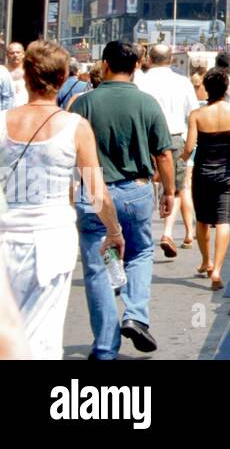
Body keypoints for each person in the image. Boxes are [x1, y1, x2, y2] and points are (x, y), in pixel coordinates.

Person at [1, 41, 124, 359]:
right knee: (42, 335)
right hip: (52, 237)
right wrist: (114, 231)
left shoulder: (1, 122)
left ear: (25, 77)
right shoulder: (74, 127)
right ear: (63, 79)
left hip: (5, 235)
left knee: (7, 332)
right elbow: (96, 191)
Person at [70, 40, 175, 359]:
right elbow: (164, 155)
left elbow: (70, 152)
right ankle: (135, 315)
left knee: (98, 266)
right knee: (141, 252)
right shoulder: (147, 103)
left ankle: (104, 347)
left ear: (105, 64)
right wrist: (169, 192)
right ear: (135, 67)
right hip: (136, 190)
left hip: (94, 192)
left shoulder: (83, 103)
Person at [183, 70, 230, 291]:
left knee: (202, 220)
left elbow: (190, 147)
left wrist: (179, 159)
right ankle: (219, 271)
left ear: (206, 88)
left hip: (203, 172)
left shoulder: (197, 115)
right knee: (222, 220)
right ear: (226, 88)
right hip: (227, 172)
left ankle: (206, 261)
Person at [134, 44, 200, 258]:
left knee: (142, 182)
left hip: (144, 137)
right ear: (171, 60)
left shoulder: (140, 80)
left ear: (149, 60)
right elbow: (193, 114)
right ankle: (168, 232)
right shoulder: (182, 82)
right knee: (177, 187)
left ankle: (139, 230)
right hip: (173, 137)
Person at [7, 41, 28, 108]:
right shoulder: (2, 72)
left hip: (25, 110)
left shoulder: (30, 72)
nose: (15, 55)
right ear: (7, 55)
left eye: (18, 52)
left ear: (23, 54)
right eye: (12, 53)